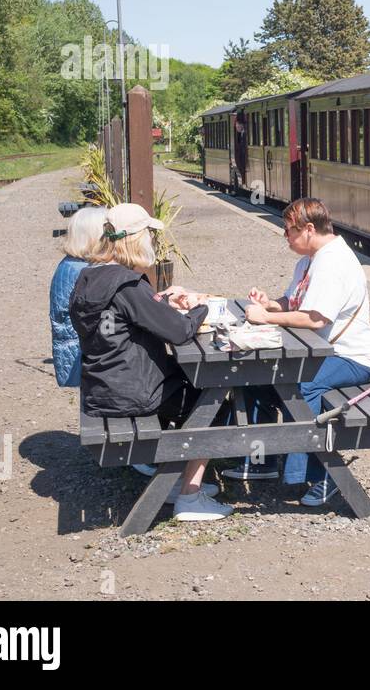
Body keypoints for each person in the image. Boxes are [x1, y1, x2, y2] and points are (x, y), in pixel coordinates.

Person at [70, 202, 228, 521]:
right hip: (134, 393)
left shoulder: (91, 277)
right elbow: (180, 331)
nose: (152, 241)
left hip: (104, 386)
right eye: (149, 235)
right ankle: (189, 495)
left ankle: (172, 482)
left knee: (190, 390)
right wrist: (202, 307)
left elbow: (122, 321)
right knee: (212, 401)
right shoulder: (127, 284)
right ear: (136, 239)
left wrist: (162, 301)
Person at [226, 198, 370, 506]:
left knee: (302, 386)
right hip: (323, 351)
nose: (285, 237)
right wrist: (269, 304)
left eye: (289, 231)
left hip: (352, 356)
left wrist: (266, 317)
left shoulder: (333, 261)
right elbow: (293, 302)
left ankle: (322, 476)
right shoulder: (310, 259)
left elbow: (315, 318)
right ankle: (263, 460)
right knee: (259, 377)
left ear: (309, 229)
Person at [49, 206, 107, 388]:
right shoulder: (84, 272)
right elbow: (107, 320)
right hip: (82, 359)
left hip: (75, 353)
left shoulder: (72, 265)